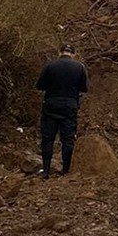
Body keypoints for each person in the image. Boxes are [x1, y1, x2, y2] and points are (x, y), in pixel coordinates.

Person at [36, 43, 89, 179]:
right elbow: (84, 88)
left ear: (60, 52)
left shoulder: (50, 66)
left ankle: (46, 170)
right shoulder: (80, 67)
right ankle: (65, 170)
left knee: (48, 139)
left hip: (51, 104)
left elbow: (40, 85)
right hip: (70, 105)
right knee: (68, 139)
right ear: (73, 54)